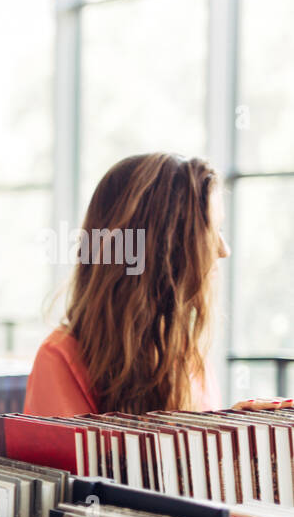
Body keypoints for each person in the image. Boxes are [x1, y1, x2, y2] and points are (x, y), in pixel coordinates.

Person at [25, 152, 290, 416]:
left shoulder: (185, 351)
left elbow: (186, 454)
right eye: (209, 230)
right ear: (164, 247)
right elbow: (84, 460)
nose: (223, 249)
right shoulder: (59, 359)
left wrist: (235, 434)